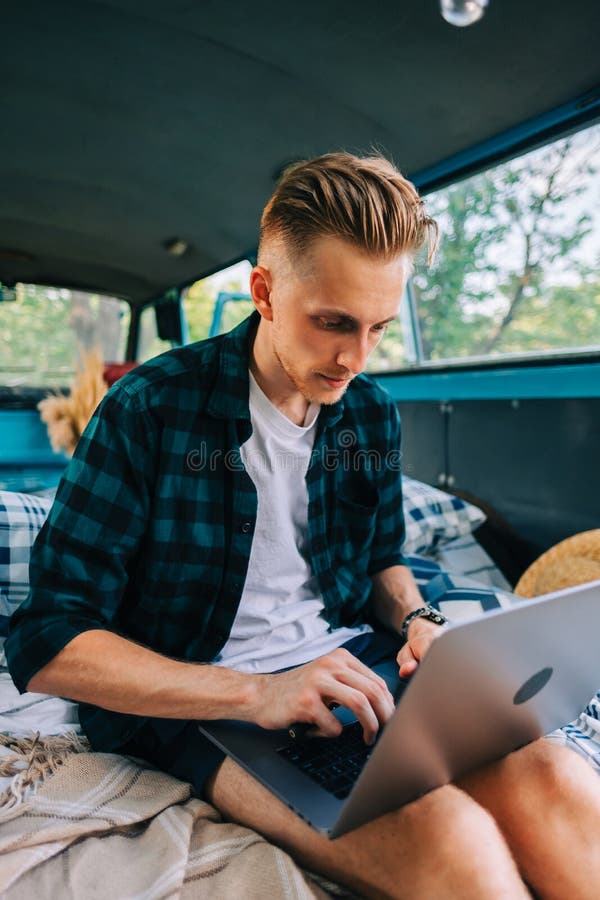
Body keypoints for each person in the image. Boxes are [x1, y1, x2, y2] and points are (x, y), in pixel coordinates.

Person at [7, 153, 600, 899]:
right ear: (264, 292)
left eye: (380, 327)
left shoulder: (370, 412)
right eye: (332, 323)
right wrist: (255, 694)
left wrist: (416, 617)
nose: (355, 357)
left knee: (553, 775)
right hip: (209, 707)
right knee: (454, 840)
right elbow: (47, 639)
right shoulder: (148, 412)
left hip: (357, 667)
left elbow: (383, 557)